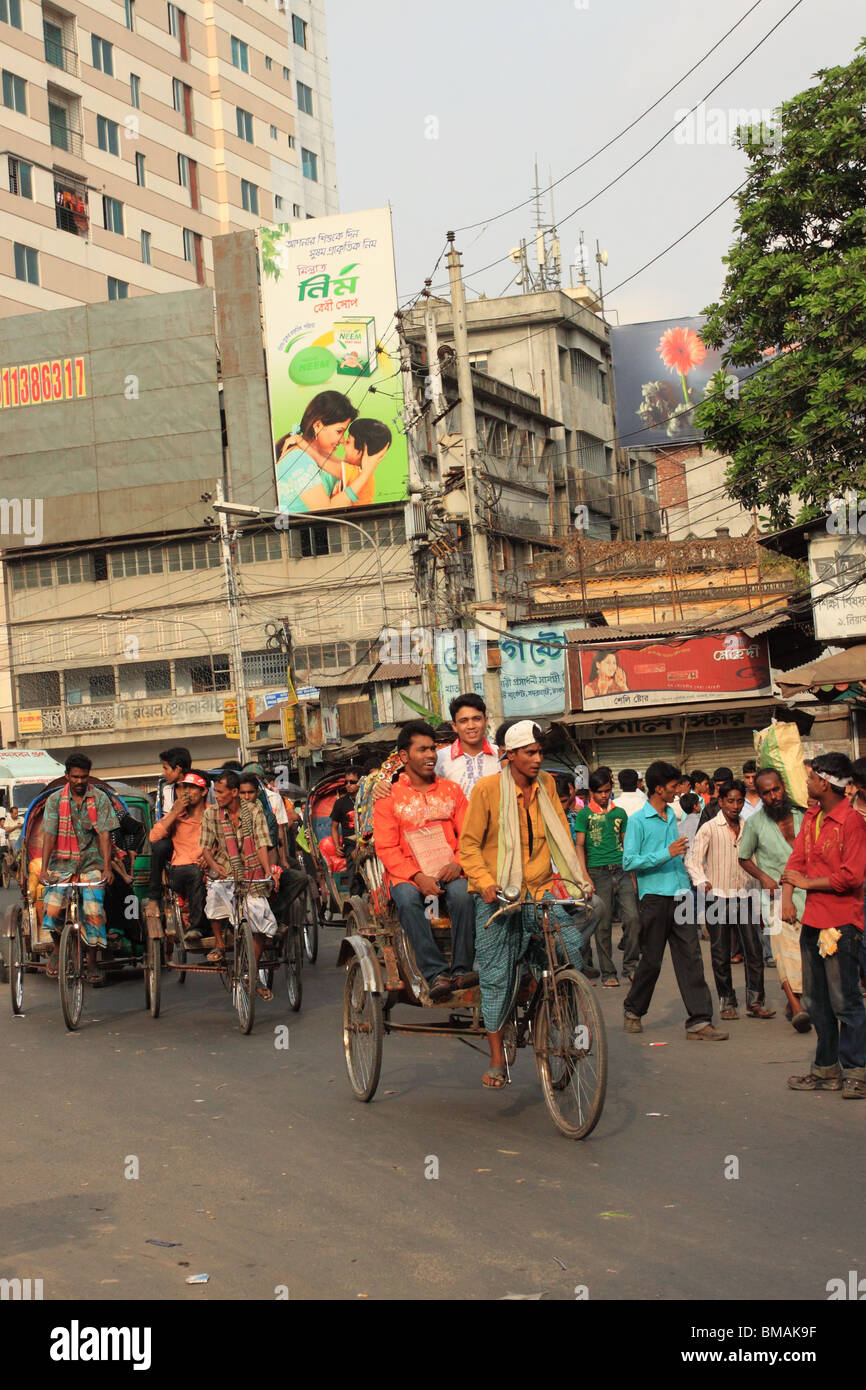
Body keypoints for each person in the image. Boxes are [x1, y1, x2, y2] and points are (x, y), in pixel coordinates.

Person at [459, 720, 601, 1090]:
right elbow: (469, 846)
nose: (538, 759)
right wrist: (487, 884)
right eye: (530, 752)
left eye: (540, 752)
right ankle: (496, 1057)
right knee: (496, 977)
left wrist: (577, 879)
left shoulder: (548, 785)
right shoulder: (487, 790)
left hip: (538, 891)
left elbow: (560, 836)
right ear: (510, 755)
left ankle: (561, 1013)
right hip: (498, 896)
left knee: (570, 946)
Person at [622, 760, 728, 1041]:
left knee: (691, 957)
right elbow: (629, 861)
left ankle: (699, 1021)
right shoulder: (637, 821)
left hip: (680, 894)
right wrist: (665, 853)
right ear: (658, 788)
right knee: (652, 961)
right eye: (672, 787)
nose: (677, 791)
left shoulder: (672, 815)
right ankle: (633, 1010)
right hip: (654, 897)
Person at [781, 753, 866, 1097]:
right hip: (813, 921)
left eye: (812, 778)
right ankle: (826, 1069)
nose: (807, 783)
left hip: (841, 924)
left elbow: (852, 876)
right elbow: (796, 860)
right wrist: (788, 895)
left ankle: (857, 1073)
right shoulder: (813, 816)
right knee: (817, 1002)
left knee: (845, 1001)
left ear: (827, 783)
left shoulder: (853, 822)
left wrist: (805, 884)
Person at [372, 721, 477, 1000]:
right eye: (422, 750)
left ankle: (461, 970)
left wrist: (458, 863)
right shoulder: (388, 797)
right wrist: (418, 877)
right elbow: (386, 847)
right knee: (406, 900)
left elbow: (467, 835)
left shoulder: (451, 791)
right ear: (405, 756)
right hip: (408, 875)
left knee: (465, 896)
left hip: (450, 870)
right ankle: (435, 973)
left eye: (432, 749)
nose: (430, 755)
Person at [685, 778, 774, 1021]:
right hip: (719, 897)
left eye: (739, 801)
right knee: (721, 952)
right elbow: (693, 860)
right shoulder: (710, 828)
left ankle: (755, 1001)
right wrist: (702, 881)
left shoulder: (749, 827)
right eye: (730, 801)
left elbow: (756, 862)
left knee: (754, 950)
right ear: (721, 801)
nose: (735, 806)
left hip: (745, 895)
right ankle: (727, 1001)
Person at [738, 768, 810, 1032]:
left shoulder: (805, 816)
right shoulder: (756, 824)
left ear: (784, 787)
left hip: (810, 892)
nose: (773, 796)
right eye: (766, 793)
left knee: (805, 952)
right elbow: (743, 857)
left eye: (776, 789)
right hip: (775, 895)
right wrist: (764, 878)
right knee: (782, 949)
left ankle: (796, 1002)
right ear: (760, 795)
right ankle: (797, 1005)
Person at [39, 753, 118, 983]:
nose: (80, 781)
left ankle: (92, 962)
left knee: (93, 910)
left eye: (84, 777)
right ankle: (56, 948)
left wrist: (107, 868)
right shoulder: (55, 800)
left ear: (88, 777)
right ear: (67, 776)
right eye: (75, 777)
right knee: (52, 908)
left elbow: (104, 835)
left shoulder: (100, 798)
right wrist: (44, 870)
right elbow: (50, 834)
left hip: (91, 863)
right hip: (62, 863)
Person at [199, 771, 277, 999]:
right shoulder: (211, 813)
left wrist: (267, 871)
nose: (216, 796)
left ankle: (248, 972)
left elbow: (262, 843)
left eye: (221, 792)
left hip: (251, 870)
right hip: (224, 867)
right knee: (213, 893)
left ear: (233, 793)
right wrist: (215, 865)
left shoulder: (253, 811)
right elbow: (205, 846)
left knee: (260, 920)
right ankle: (221, 944)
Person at [572, 768, 640, 987]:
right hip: (597, 872)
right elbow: (579, 846)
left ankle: (631, 966)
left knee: (632, 918)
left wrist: (632, 874)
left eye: (607, 791)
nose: (603, 795)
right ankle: (608, 972)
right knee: (602, 925)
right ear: (591, 792)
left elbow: (627, 845)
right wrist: (584, 876)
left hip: (621, 869)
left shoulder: (619, 813)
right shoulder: (583, 815)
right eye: (599, 792)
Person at [275, 391, 388, 513]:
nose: (342, 440)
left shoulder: (324, 457)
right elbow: (325, 512)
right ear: (317, 426)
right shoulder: (298, 459)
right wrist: (366, 473)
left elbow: (350, 468)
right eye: (339, 432)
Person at [148, 771, 209, 943]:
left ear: (203, 792)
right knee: (195, 872)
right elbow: (153, 837)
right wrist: (175, 812)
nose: (187, 792)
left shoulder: (213, 814)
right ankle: (195, 927)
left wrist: (211, 855)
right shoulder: (177, 815)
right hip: (181, 870)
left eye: (192, 788)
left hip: (210, 867)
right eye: (185, 788)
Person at [434, 692, 500, 795]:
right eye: (464, 721)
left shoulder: (500, 755)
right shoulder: (440, 759)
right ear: (454, 726)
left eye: (476, 719)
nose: (471, 726)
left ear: (486, 721)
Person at [340, 418, 393, 506]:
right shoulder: (368, 476)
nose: (343, 443)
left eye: (348, 441)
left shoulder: (352, 472)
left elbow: (322, 460)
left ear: (361, 451)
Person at [331, 768, 361, 862]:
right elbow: (334, 827)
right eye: (346, 782)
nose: (348, 785)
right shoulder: (340, 803)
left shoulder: (367, 799)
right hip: (350, 844)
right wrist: (337, 846)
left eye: (352, 782)